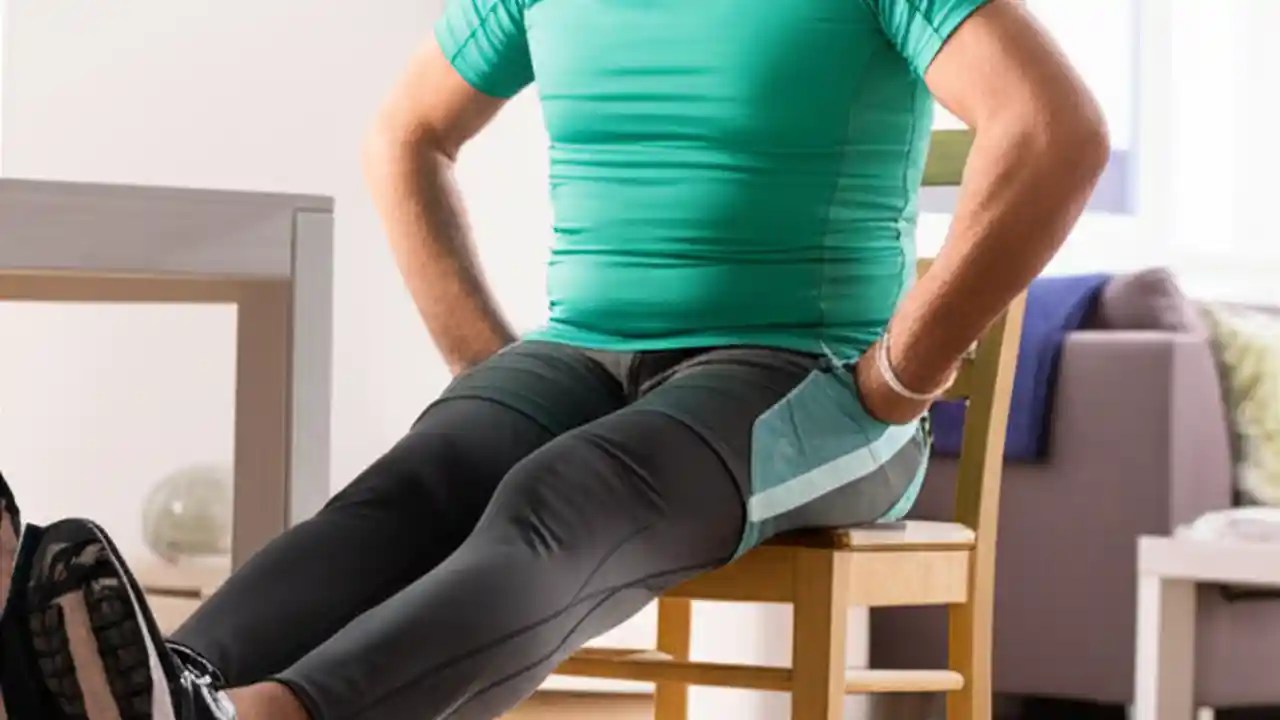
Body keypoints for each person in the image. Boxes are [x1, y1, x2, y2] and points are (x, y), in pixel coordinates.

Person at [0, 0, 1107, 717]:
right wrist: (488, 368)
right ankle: (160, 685)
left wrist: (900, 375)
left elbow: (1052, 130)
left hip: (802, 375)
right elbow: (406, 134)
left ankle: (251, 719)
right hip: (585, 356)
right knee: (413, 486)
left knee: (565, 492)